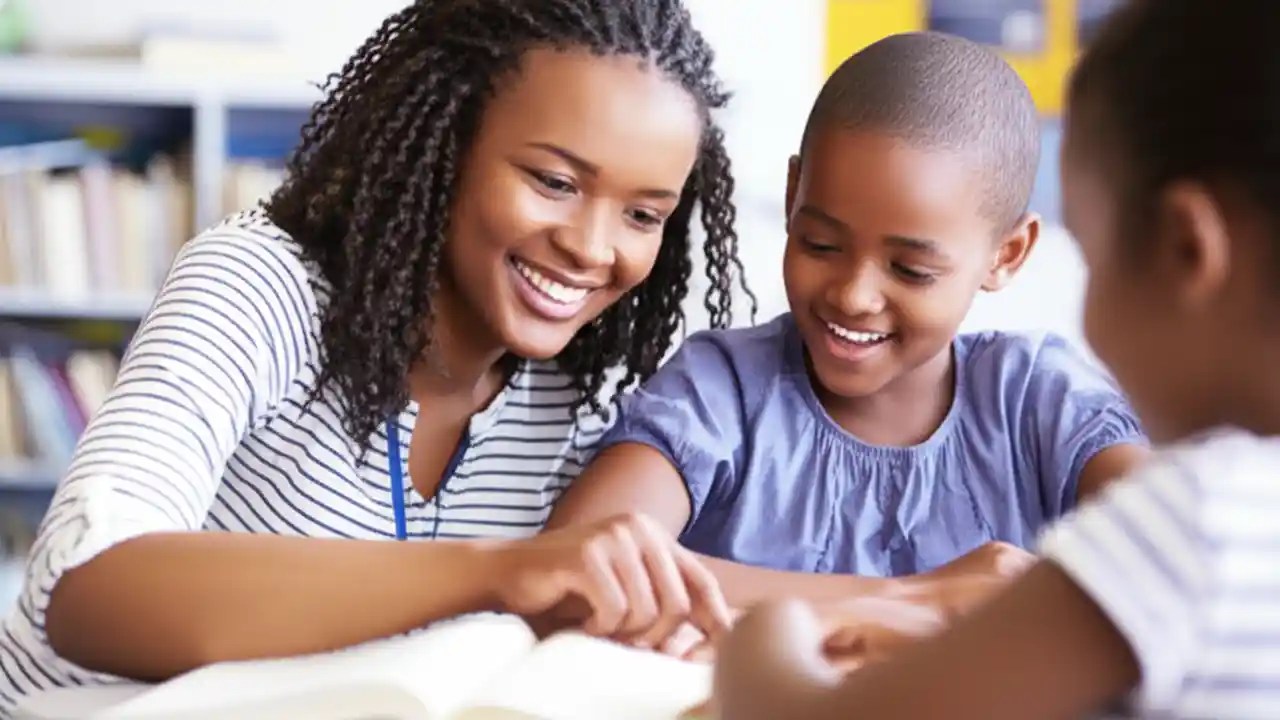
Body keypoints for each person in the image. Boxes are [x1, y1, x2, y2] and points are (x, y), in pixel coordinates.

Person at [0, 0, 755, 713]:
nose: (592, 248)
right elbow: (87, 590)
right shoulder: (261, 285)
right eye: (554, 182)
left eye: (642, 215)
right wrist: (496, 571)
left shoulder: (581, 389)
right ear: (448, 143)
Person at [713, 1, 1280, 718]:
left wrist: (773, 633)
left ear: (1184, 251)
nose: (857, 295)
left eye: (1092, 253)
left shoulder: (1198, 521)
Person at [548, 32, 1146, 619]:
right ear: (792, 196)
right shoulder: (721, 393)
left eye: (910, 270)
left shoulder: (1040, 403)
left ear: (1007, 254)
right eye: (821, 244)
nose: (854, 296)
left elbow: (1182, 557)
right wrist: (910, 599)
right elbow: (578, 563)